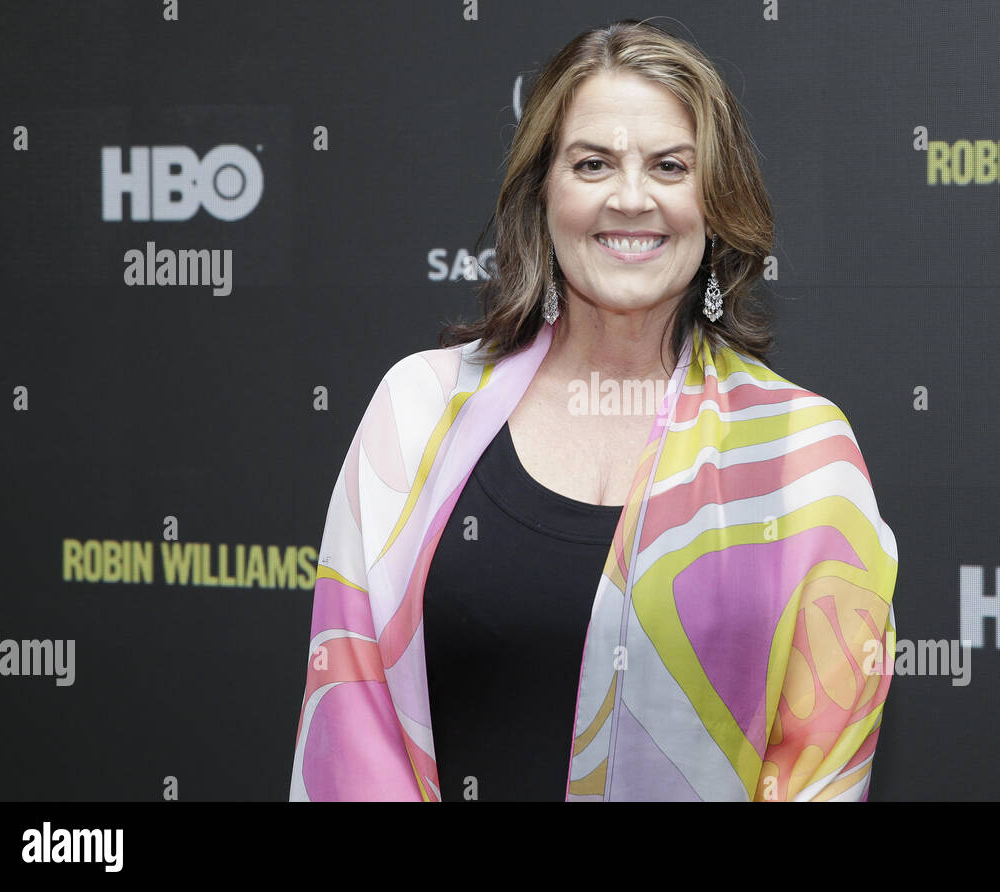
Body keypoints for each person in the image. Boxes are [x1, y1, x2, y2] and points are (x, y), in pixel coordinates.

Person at [290, 18, 898, 802]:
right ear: (544, 191)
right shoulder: (416, 413)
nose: (632, 197)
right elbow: (352, 715)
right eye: (593, 163)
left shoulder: (801, 454)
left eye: (670, 166)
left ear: (715, 203)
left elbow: (822, 762)